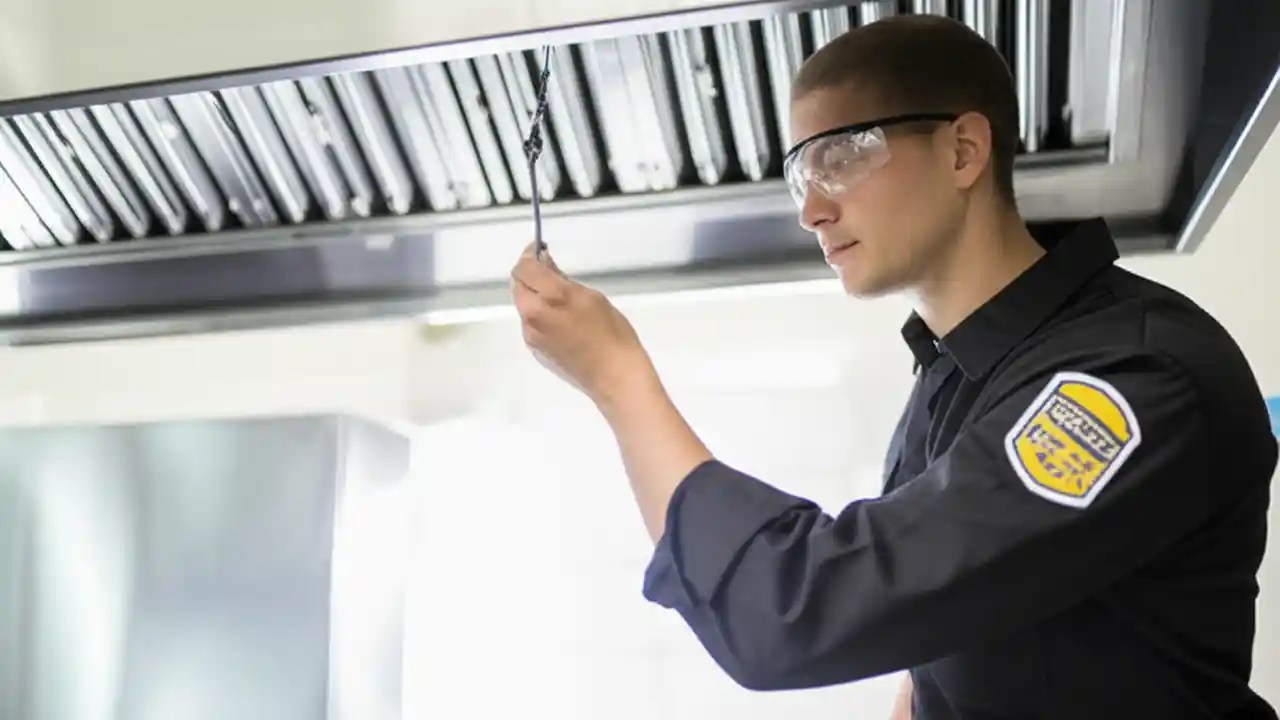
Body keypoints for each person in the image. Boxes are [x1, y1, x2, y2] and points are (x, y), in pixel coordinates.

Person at [509, 15, 1278, 720]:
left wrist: (615, 376)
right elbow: (959, 606)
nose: (810, 208)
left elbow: (797, 609)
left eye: (839, 156)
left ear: (963, 151)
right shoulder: (953, 374)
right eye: (799, 170)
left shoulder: (1131, 377)